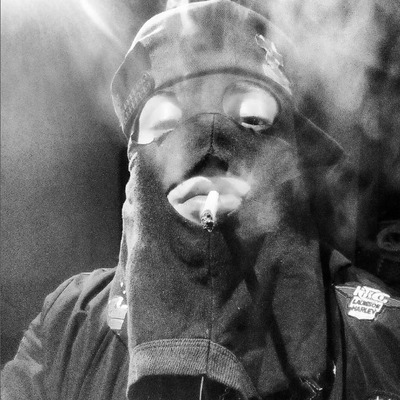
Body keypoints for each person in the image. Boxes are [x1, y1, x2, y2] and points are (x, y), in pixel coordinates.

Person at [2, 1, 400, 399]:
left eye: (252, 119)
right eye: (165, 123)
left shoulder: (377, 337)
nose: (208, 145)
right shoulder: (69, 326)